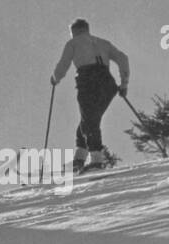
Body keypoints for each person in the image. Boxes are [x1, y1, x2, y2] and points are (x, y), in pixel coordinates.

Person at [50, 19, 130, 172]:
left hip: (88, 81)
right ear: (87, 29)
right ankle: (80, 157)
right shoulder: (103, 43)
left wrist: (55, 78)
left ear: (75, 31)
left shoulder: (73, 43)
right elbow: (123, 58)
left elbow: (63, 64)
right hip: (107, 84)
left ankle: (96, 159)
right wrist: (124, 83)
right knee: (90, 118)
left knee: (90, 119)